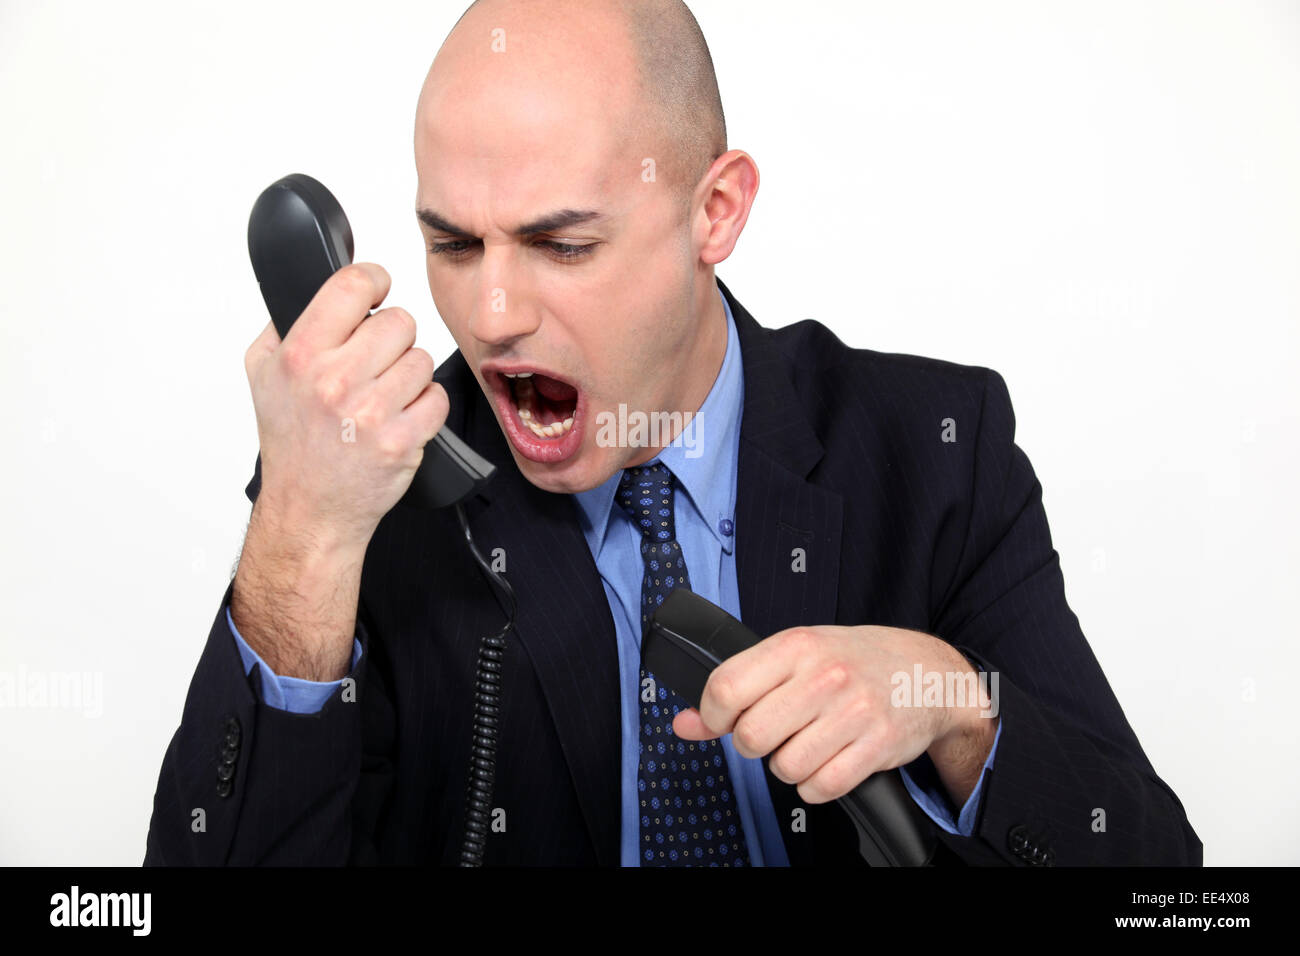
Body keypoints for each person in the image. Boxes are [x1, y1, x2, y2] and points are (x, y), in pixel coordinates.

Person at [144, 0, 1201, 866]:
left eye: (561, 243)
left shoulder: (934, 450)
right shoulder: (359, 481)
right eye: (453, 241)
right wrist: (304, 530)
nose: (494, 311)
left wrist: (954, 711)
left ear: (715, 213)